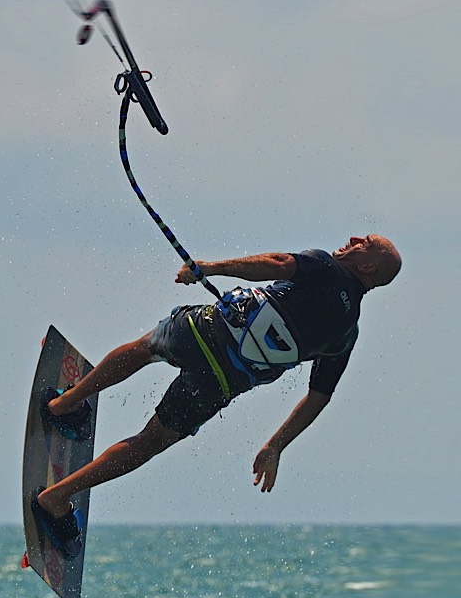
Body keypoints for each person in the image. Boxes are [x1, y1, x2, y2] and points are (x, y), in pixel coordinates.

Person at [31, 234, 402, 557]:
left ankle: (64, 404)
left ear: (367, 267)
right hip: (221, 382)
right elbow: (319, 396)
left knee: (146, 348)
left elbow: (278, 264)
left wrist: (208, 268)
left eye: (363, 243)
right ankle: (57, 499)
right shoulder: (345, 336)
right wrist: (275, 446)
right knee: (151, 441)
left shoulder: (325, 266)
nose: (353, 239)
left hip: (201, 332)